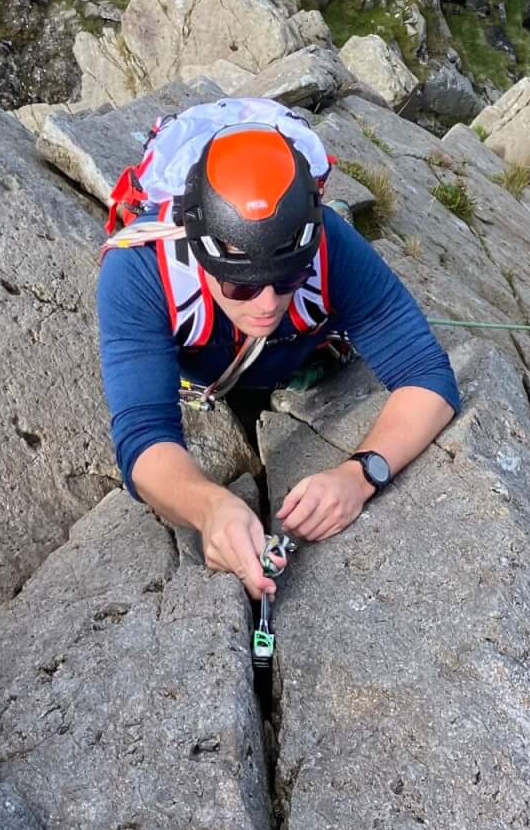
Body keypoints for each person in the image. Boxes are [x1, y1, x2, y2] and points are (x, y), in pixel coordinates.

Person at [96, 103, 460, 601]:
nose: (266, 304)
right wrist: (209, 508)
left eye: (288, 279)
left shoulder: (330, 244)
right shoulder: (137, 271)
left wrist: (359, 475)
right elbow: (142, 438)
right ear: (199, 251)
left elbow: (427, 376)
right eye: (241, 286)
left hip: (291, 352)